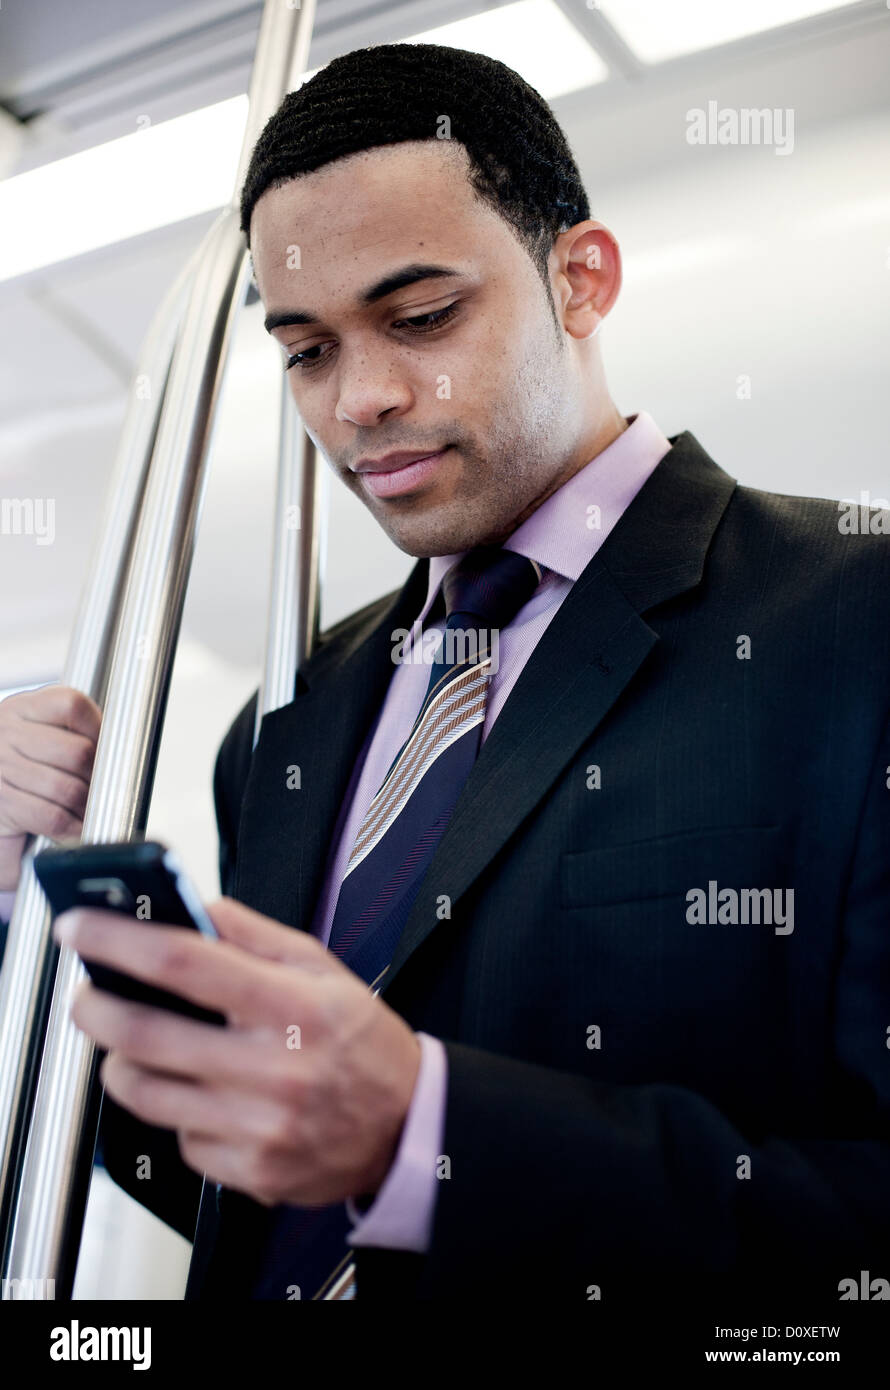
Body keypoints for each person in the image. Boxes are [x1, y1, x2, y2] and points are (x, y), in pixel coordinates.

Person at [1, 43, 888, 1306]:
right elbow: (238, 1194)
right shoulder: (285, 718)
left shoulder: (850, 616)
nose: (360, 399)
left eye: (419, 318)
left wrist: (428, 1134)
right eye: (305, 351)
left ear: (579, 280)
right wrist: (23, 921)